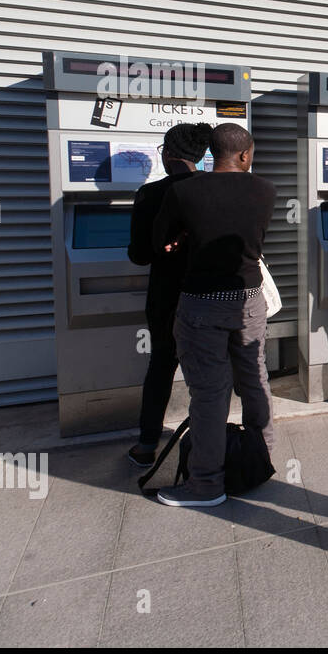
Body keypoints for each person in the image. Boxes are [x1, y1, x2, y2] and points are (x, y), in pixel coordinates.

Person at [151, 123, 277, 508]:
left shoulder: (183, 191)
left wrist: (184, 238)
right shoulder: (265, 191)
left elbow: (160, 242)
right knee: (255, 382)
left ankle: (206, 484)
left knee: (209, 394)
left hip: (202, 305)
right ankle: (263, 457)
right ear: (244, 155)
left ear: (211, 153)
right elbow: (250, 238)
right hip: (250, 301)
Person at [126, 122, 212, 467]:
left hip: (166, 299)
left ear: (167, 153)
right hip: (208, 295)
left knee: (161, 366)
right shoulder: (215, 189)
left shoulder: (149, 194)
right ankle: (209, 445)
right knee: (208, 372)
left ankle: (147, 445)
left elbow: (140, 255)